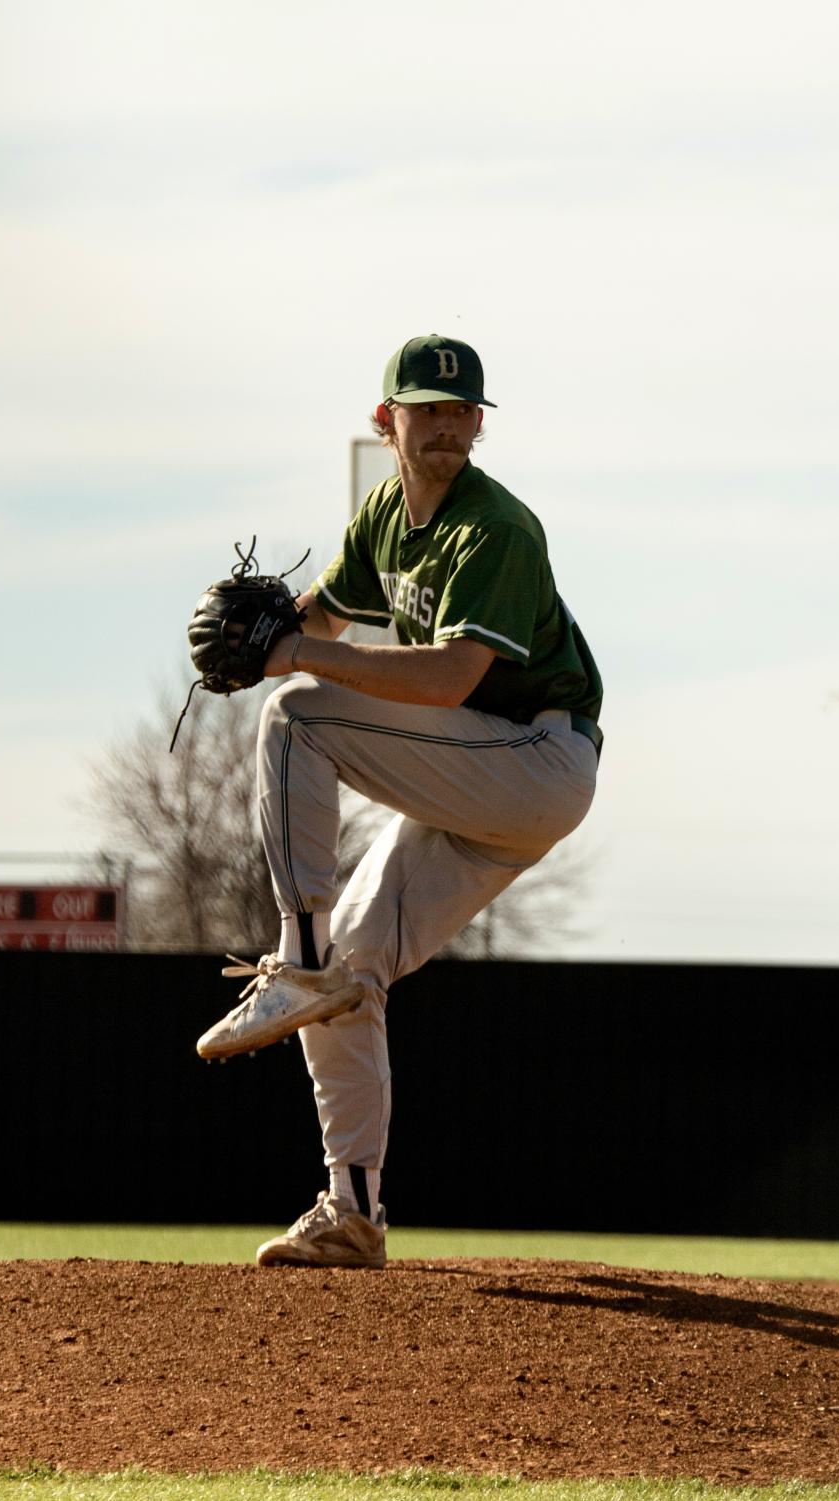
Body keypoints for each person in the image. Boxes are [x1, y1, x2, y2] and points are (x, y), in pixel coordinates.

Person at [194, 333, 603, 1271]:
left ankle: (295, 959)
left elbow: (453, 677)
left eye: (463, 410)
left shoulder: (494, 526)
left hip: (538, 758)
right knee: (354, 966)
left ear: (479, 423)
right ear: (388, 419)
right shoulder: (384, 513)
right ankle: (353, 1209)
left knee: (298, 714)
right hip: (479, 775)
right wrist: (265, 634)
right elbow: (322, 617)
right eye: (429, 409)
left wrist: (294, 658)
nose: (448, 425)